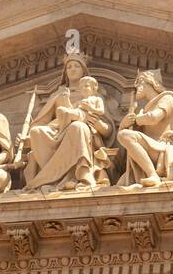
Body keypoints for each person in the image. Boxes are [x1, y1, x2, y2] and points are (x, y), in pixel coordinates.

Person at [25, 51, 113, 191]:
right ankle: (53, 176)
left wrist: (95, 123)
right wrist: (26, 137)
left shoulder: (95, 97)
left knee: (77, 127)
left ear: (83, 70)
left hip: (84, 131)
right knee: (36, 132)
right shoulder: (57, 95)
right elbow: (40, 122)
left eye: (76, 66)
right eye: (69, 66)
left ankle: (82, 174)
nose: (72, 69)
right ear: (65, 72)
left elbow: (108, 130)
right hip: (58, 130)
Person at [118, 69, 173, 187]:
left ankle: (152, 174)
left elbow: (154, 117)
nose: (136, 87)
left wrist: (137, 119)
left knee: (124, 135)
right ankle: (149, 172)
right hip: (150, 150)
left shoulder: (167, 99)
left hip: (162, 149)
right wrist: (124, 124)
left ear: (150, 83)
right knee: (119, 184)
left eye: (140, 82)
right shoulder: (144, 109)